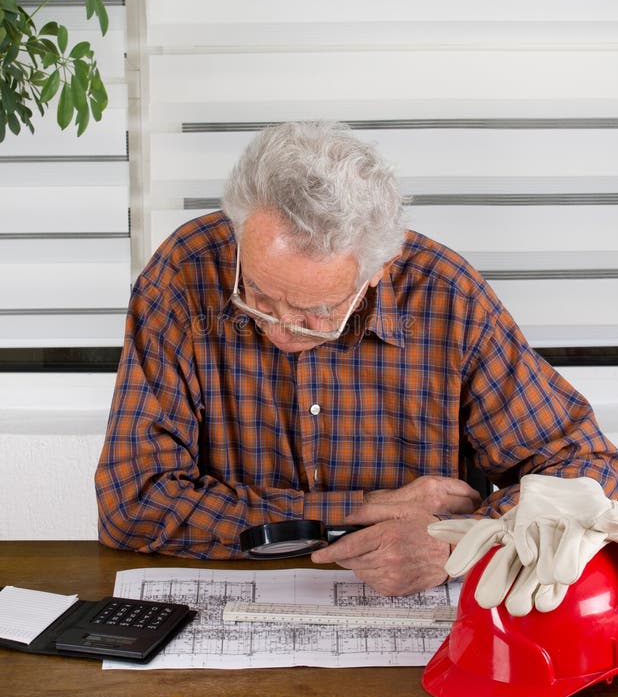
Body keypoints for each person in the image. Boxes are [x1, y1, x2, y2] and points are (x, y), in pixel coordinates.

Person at [95, 121, 618, 596]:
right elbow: (133, 504)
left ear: (377, 270)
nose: (279, 329)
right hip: (225, 606)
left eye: (313, 310)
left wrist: (465, 541)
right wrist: (358, 512)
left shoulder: (446, 297)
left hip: (412, 620)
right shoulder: (183, 275)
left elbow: (587, 472)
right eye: (254, 292)